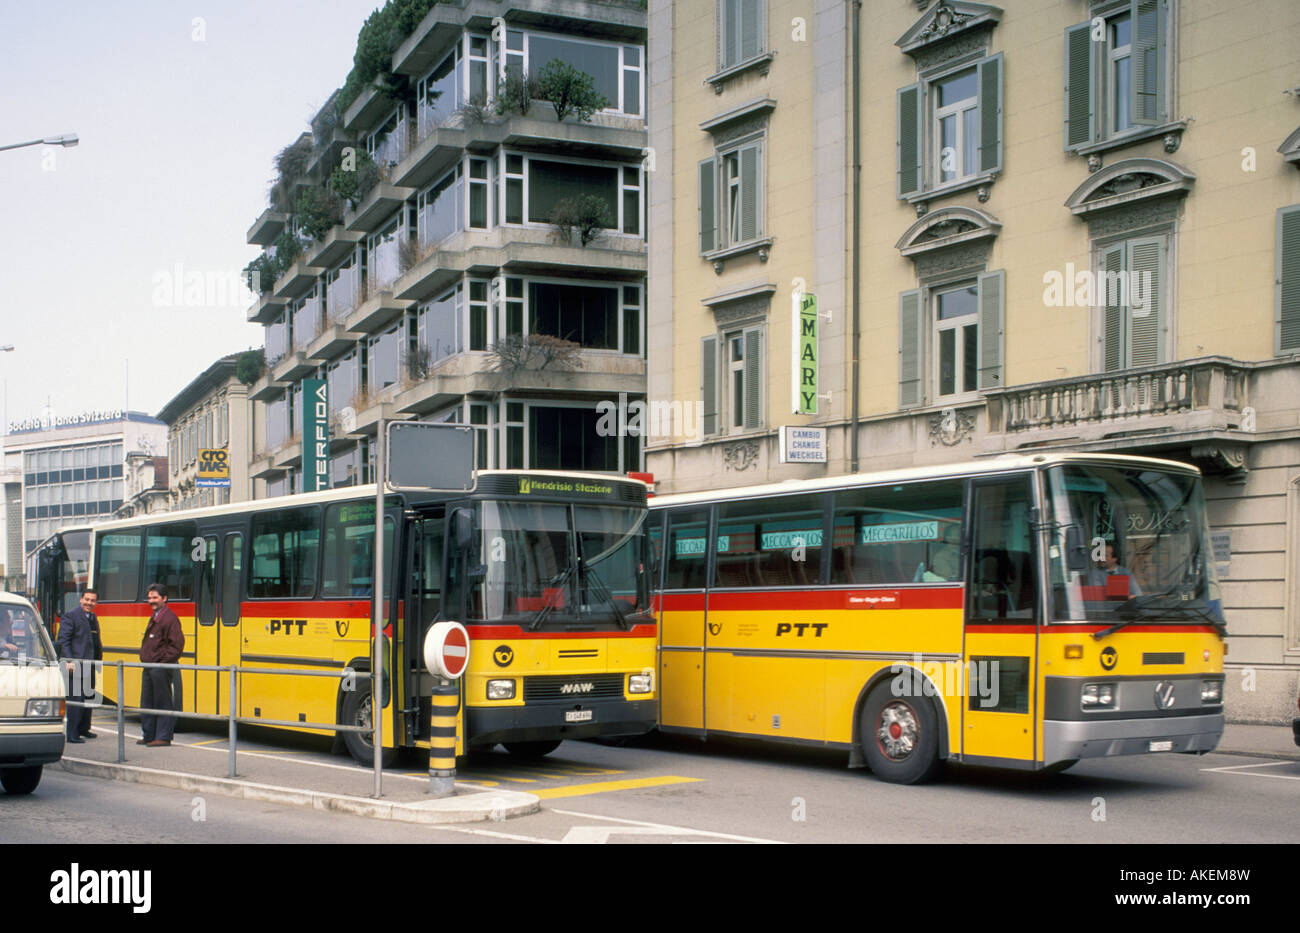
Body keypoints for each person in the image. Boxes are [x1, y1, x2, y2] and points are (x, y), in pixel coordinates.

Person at [139, 583, 184, 747]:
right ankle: (149, 735)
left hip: (160, 668)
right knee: (147, 702)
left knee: (162, 702)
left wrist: (162, 663)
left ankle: (163, 737)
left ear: (164, 598)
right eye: (150, 597)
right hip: (150, 667)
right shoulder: (157, 616)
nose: (151, 601)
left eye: (155, 597)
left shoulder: (169, 618)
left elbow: (177, 646)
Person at [57, 589, 102, 742]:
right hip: (74, 664)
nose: (89, 603)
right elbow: (64, 640)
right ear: (81, 599)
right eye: (87, 599)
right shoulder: (71, 616)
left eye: (93, 600)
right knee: (76, 700)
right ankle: (72, 734)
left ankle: (84, 729)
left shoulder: (92, 617)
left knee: (88, 698)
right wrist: (69, 661)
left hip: (89, 663)